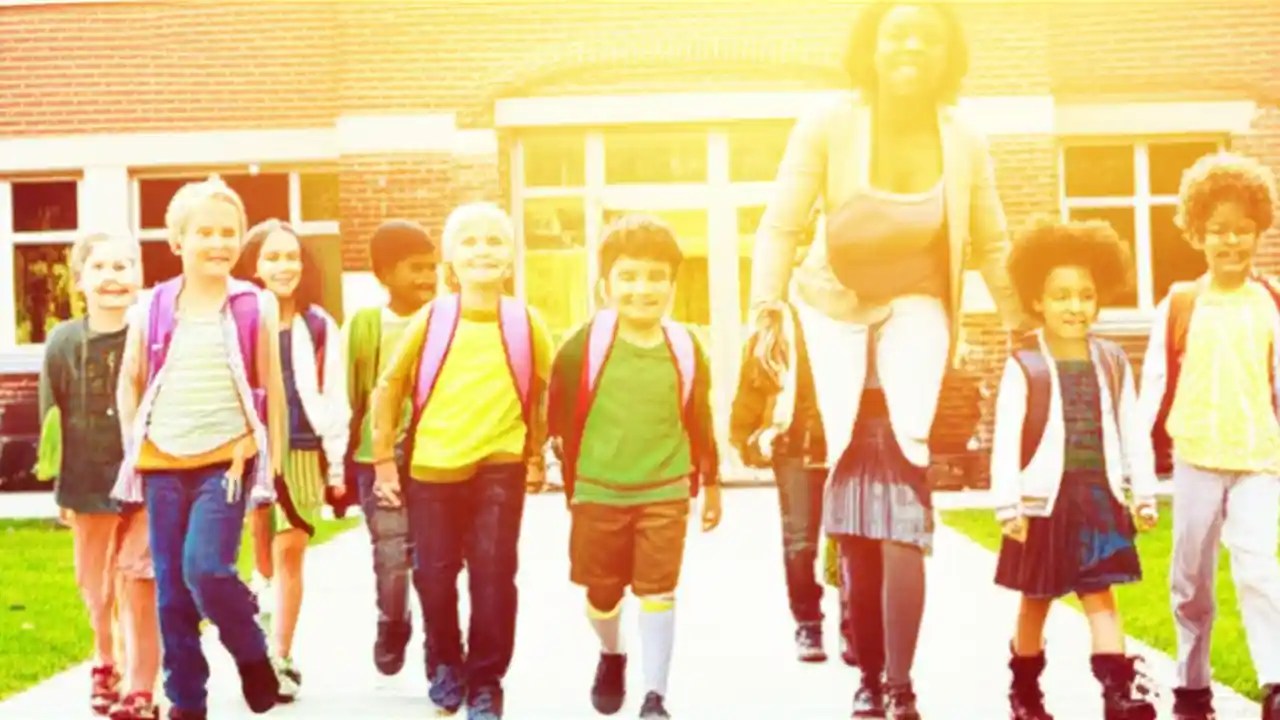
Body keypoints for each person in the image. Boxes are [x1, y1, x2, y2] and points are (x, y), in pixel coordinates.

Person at [749, 2, 1028, 717]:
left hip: (917, 307)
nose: (910, 46)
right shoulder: (828, 122)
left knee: (904, 480)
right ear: (869, 46)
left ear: (948, 54)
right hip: (831, 304)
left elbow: (992, 246)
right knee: (847, 483)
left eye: (927, 37)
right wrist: (765, 308)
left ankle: (899, 682)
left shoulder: (963, 138)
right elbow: (781, 223)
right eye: (895, 33)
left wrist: (1021, 324)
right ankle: (864, 665)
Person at [369, 202, 552, 720]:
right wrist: (384, 457)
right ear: (451, 258)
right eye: (469, 242)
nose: (482, 250)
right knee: (435, 574)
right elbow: (390, 385)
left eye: (494, 241)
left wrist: (536, 454)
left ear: (510, 257)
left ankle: (487, 680)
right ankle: (445, 662)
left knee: (494, 575)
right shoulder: (433, 317)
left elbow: (542, 391)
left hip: (501, 461)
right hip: (433, 467)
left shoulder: (525, 321)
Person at [111, 175, 284, 720]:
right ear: (177, 240)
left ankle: (254, 653)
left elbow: (271, 389)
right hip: (163, 463)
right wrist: (134, 449)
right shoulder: (152, 307)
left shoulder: (255, 304)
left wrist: (271, 464)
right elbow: (130, 381)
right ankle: (187, 701)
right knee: (172, 595)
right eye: (204, 231)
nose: (218, 242)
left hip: (228, 462)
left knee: (206, 568)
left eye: (228, 232)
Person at [548, 214, 723, 720]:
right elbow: (557, 417)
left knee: (658, 590)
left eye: (654, 277)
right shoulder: (580, 349)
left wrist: (709, 482)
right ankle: (612, 653)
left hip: (665, 490)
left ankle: (655, 696)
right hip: (598, 491)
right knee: (602, 596)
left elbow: (699, 418)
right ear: (606, 284)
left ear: (671, 284)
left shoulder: (686, 348)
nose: (641, 289)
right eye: (628, 276)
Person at [990, 219, 1160, 720]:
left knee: (1100, 595)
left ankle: (1117, 694)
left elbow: (1133, 431)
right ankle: (1025, 692)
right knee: (1035, 601)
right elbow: (1005, 438)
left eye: (1085, 295)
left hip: (1098, 497)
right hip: (1042, 503)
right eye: (1061, 295)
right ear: (1037, 300)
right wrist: (1008, 505)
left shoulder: (1110, 359)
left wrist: (1143, 493)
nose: (1075, 306)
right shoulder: (1025, 364)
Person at [1138, 152, 1280, 720]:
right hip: (1195, 456)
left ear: (1258, 231)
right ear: (1197, 234)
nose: (1231, 243)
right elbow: (1151, 388)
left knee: (1257, 566)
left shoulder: (1270, 303)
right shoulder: (1179, 303)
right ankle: (1192, 684)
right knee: (1191, 579)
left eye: (1242, 230)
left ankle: (1275, 681)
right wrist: (1140, 472)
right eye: (1218, 231)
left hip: (1257, 458)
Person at [40, 232, 161, 720]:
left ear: (139, 276)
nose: (112, 276)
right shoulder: (63, 340)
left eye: (123, 266)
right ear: (80, 281)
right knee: (97, 587)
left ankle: (141, 686)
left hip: (147, 479)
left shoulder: (153, 334)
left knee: (139, 579)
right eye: (100, 267)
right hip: (86, 482)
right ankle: (105, 660)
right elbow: (53, 417)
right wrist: (59, 487)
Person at [232, 219, 350, 701]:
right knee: (261, 559)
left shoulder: (319, 325)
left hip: (303, 448)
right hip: (252, 451)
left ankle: (281, 656)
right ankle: (259, 634)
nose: (285, 266)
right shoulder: (238, 319)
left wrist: (337, 468)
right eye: (274, 257)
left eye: (293, 257)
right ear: (254, 266)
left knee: (289, 552)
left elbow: (335, 397)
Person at [341, 219, 437, 675]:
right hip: (375, 460)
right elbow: (352, 394)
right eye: (416, 268)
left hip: (435, 458)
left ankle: (441, 645)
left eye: (432, 268)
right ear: (383, 273)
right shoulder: (366, 324)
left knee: (434, 558)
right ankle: (393, 621)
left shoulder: (444, 319)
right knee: (392, 552)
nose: (427, 278)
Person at [729, 300, 831, 662]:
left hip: (845, 439)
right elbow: (752, 383)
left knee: (854, 540)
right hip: (794, 442)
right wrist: (743, 434)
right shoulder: (776, 324)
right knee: (800, 541)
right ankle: (808, 622)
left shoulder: (850, 311)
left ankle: (855, 626)